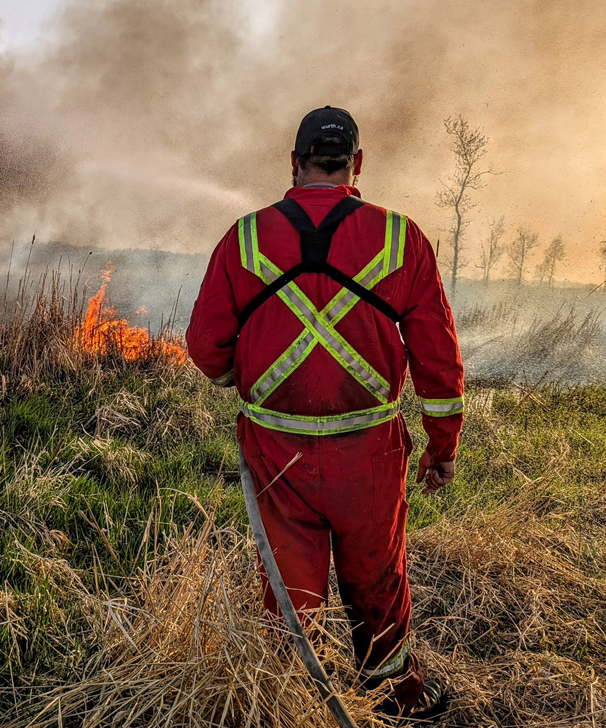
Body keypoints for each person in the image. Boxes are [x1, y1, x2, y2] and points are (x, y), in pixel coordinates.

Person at [186, 106, 463, 722]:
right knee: (377, 581)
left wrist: (249, 377)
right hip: (370, 452)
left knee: (289, 592)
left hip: (275, 450)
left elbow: (206, 348)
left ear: (295, 163)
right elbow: (437, 356)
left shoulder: (246, 237)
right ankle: (395, 699)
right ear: (357, 165)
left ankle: (282, 702)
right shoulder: (400, 237)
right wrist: (442, 445)